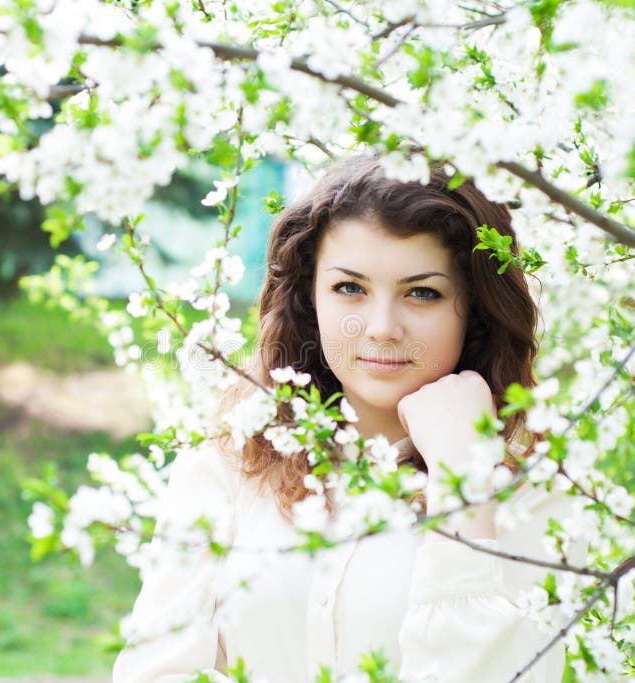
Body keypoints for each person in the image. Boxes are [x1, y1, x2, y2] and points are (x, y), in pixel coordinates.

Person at [113, 155, 580, 683]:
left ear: (474, 310)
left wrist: (463, 477)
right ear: (309, 298)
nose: (381, 327)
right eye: (349, 288)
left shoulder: (530, 489)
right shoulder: (229, 466)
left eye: (422, 292)